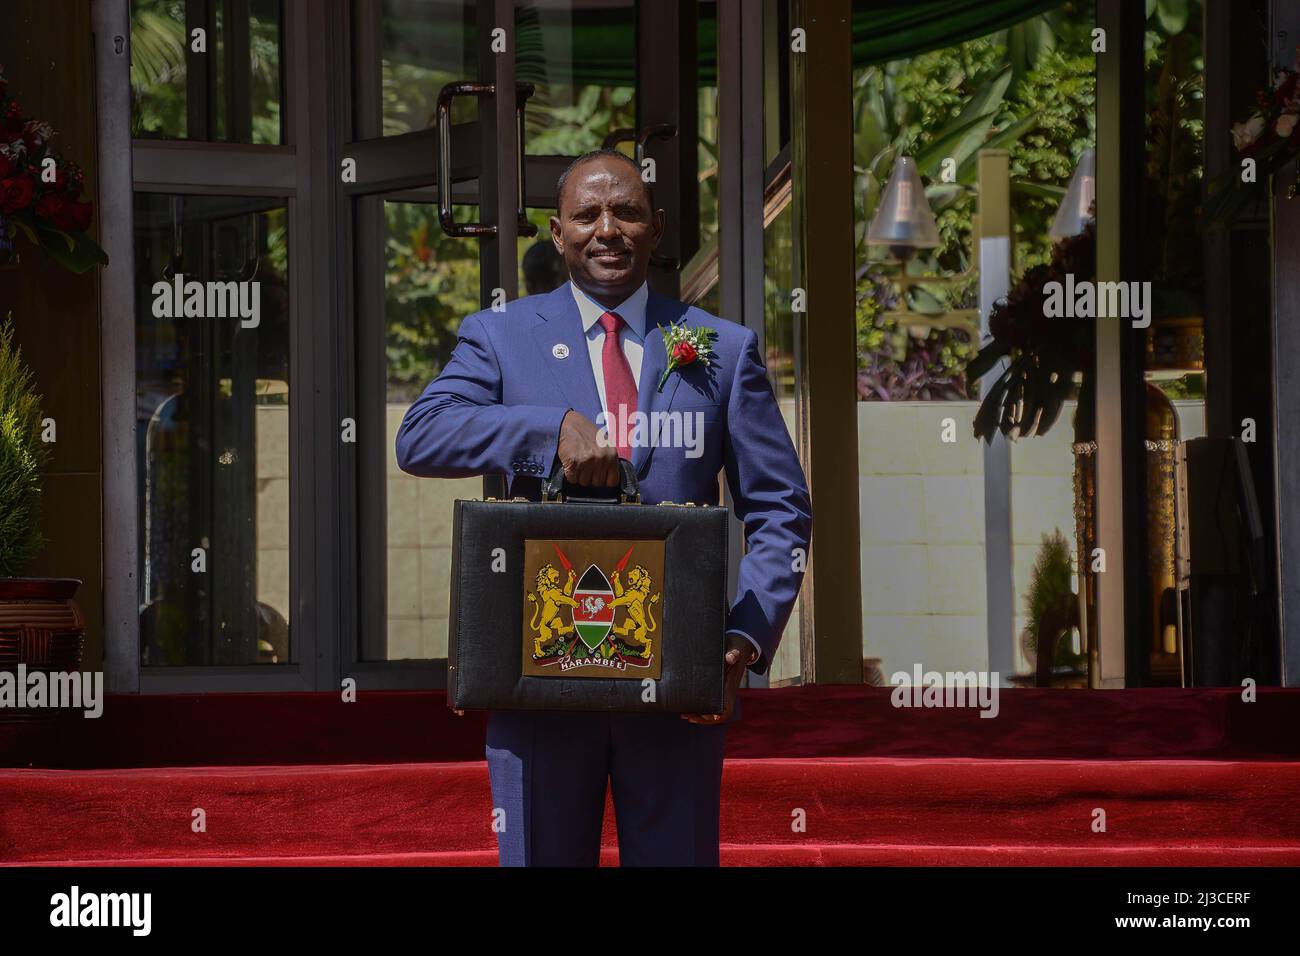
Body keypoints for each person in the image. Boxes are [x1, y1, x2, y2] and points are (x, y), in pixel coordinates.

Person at [395, 148, 811, 866]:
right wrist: (544, 429)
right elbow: (421, 435)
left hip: (678, 680)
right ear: (557, 235)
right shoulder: (500, 336)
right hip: (539, 681)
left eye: (627, 212)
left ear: (656, 229)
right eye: (586, 214)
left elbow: (780, 506)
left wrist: (743, 637)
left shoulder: (719, 348)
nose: (607, 229)